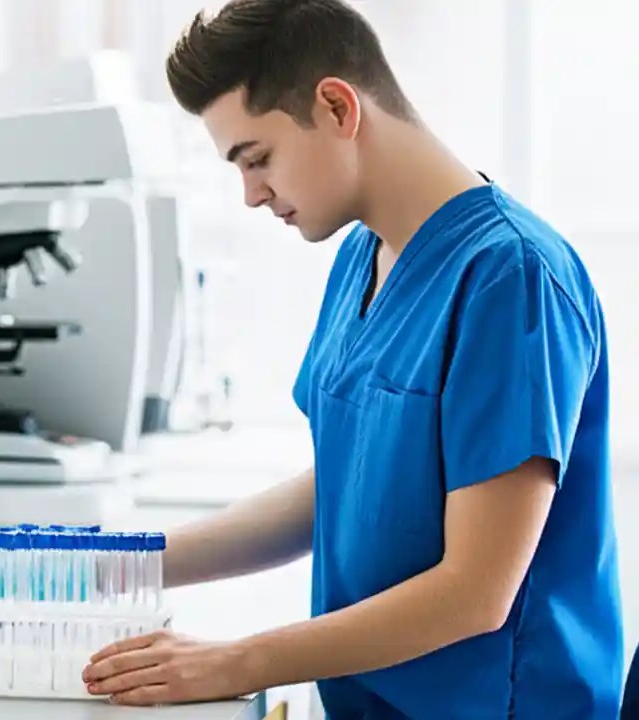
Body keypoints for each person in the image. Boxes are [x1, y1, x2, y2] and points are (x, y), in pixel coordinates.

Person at [80, 1, 624, 717]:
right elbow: (342, 483)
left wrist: (235, 660)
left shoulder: (512, 278)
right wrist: (119, 566)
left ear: (337, 106)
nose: (250, 195)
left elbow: (475, 593)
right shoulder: (360, 258)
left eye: (258, 158)